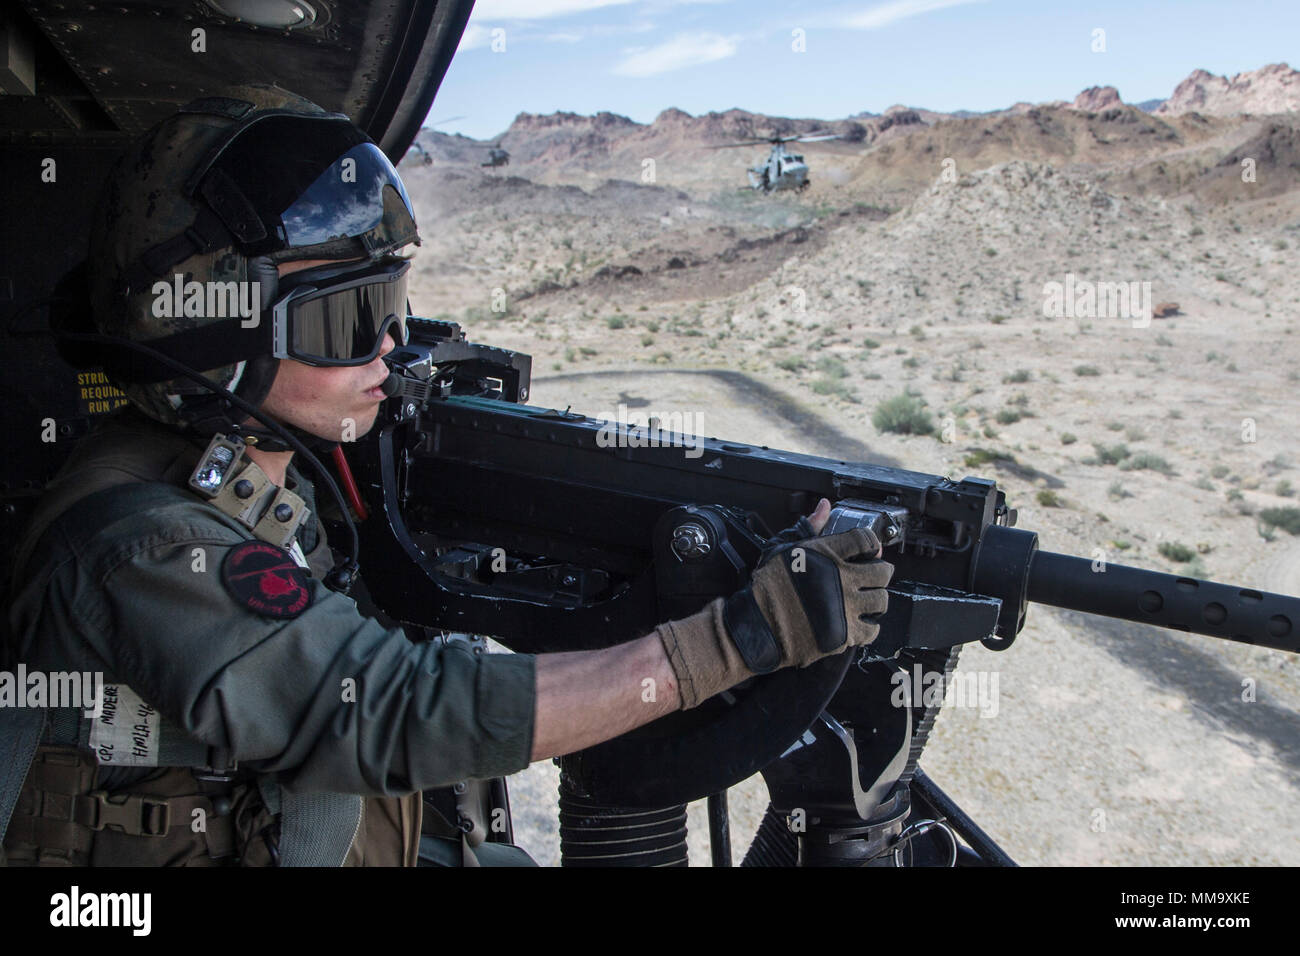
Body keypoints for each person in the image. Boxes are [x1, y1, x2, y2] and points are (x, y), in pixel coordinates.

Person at [1, 85, 893, 867]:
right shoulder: (146, 545)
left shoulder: (252, 465)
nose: (389, 348)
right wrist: (734, 639)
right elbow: (393, 711)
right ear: (215, 335)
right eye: (351, 317)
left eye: (394, 307)